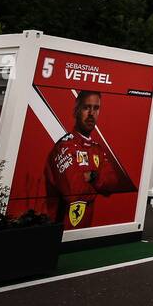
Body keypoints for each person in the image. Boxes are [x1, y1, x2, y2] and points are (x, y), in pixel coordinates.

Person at [45, 91, 136, 230]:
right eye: (86, 107)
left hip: (83, 231)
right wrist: (99, 183)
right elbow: (74, 193)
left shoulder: (96, 149)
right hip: (59, 232)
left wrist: (92, 176)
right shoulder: (64, 146)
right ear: (76, 111)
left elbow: (112, 183)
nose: (91, 113)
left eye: (96, 108)